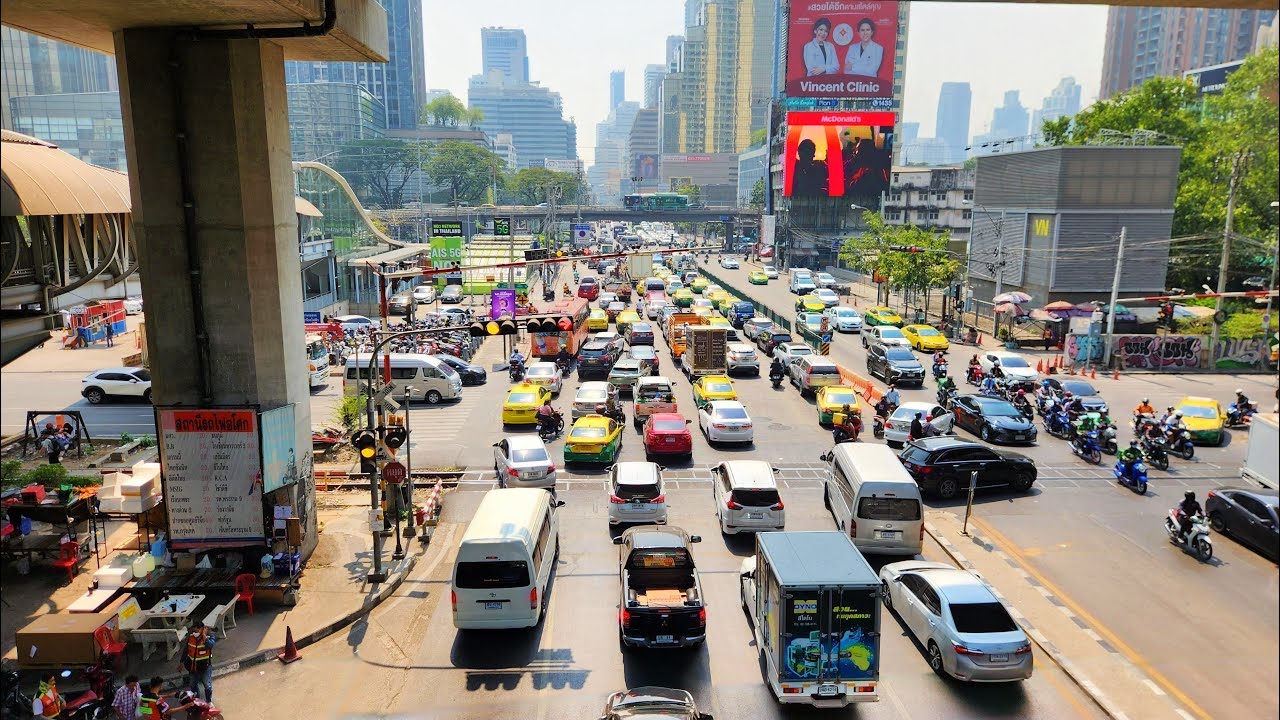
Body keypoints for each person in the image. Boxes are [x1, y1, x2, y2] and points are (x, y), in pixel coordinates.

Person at [181, 620, 215, 702]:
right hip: (193, 667)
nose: (195, 632)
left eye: (197, 630)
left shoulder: (210, 637)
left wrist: (204, 635)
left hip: (205, 667)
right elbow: (186, 650)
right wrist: (181, 662)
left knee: (207, 685)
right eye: (194, 630)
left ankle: (209, 701)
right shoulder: (191, 637)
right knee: (193, 685)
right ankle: (196, 701)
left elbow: (210, 645)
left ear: (202, 629)